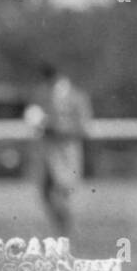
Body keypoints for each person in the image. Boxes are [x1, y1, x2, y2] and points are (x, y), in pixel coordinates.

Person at [25, 63, 93, 235]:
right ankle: (62, 230)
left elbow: (83, 127)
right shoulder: (43, 96)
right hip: (48, 151)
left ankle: (67, 231)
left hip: (67, 151)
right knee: (45, 191)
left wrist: (55, 128)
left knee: (63, 191)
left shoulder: (77, 97)